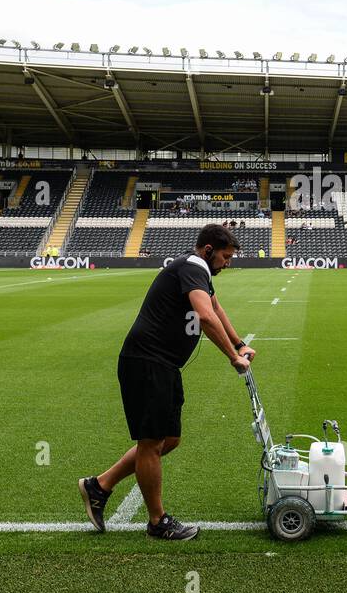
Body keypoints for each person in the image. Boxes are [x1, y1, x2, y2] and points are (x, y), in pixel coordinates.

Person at [78, 223, 254, 541]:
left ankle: (98, 485)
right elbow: (204, 316)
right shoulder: (191, 265)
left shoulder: (199, 270)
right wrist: (232, 356)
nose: (228, 263)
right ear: (209, 250)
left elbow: (215, 307)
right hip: (147, 362)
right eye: (226, 257)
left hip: (165, 366)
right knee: (151, 443)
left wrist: (240, 343)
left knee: (169, 440)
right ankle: (157, 522)